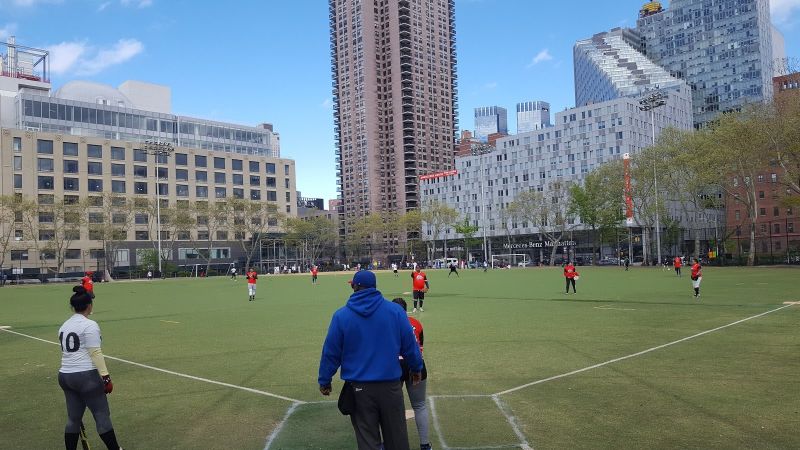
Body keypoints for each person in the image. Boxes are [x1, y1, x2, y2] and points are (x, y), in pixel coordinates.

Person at [318, 271, 423, 450]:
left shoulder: (341, 316)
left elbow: (331, 352)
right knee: (397, 440)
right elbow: (410, 346)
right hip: (391, 387)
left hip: (359, 389)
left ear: (355, 287)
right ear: (374, 287)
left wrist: (325, 380)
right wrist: (416, 368)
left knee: (368, 441)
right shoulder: (395, 311)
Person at [58, 286, 123, 450]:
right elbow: (95, 352)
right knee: (101, 415)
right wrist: (106, 377)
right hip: (85, 377)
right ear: (89, 305)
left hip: (65, 375)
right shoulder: (90, 325)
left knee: (73, 419)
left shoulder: (64, 325)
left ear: (73, 307)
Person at [391, 298, 432, 450]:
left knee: (394, 408)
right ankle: (425, 445)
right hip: (416, 364)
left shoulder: (386, 324)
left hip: (395, 366)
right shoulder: (416, 323)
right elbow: (420, 346)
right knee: (420, 405)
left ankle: (397, 444)